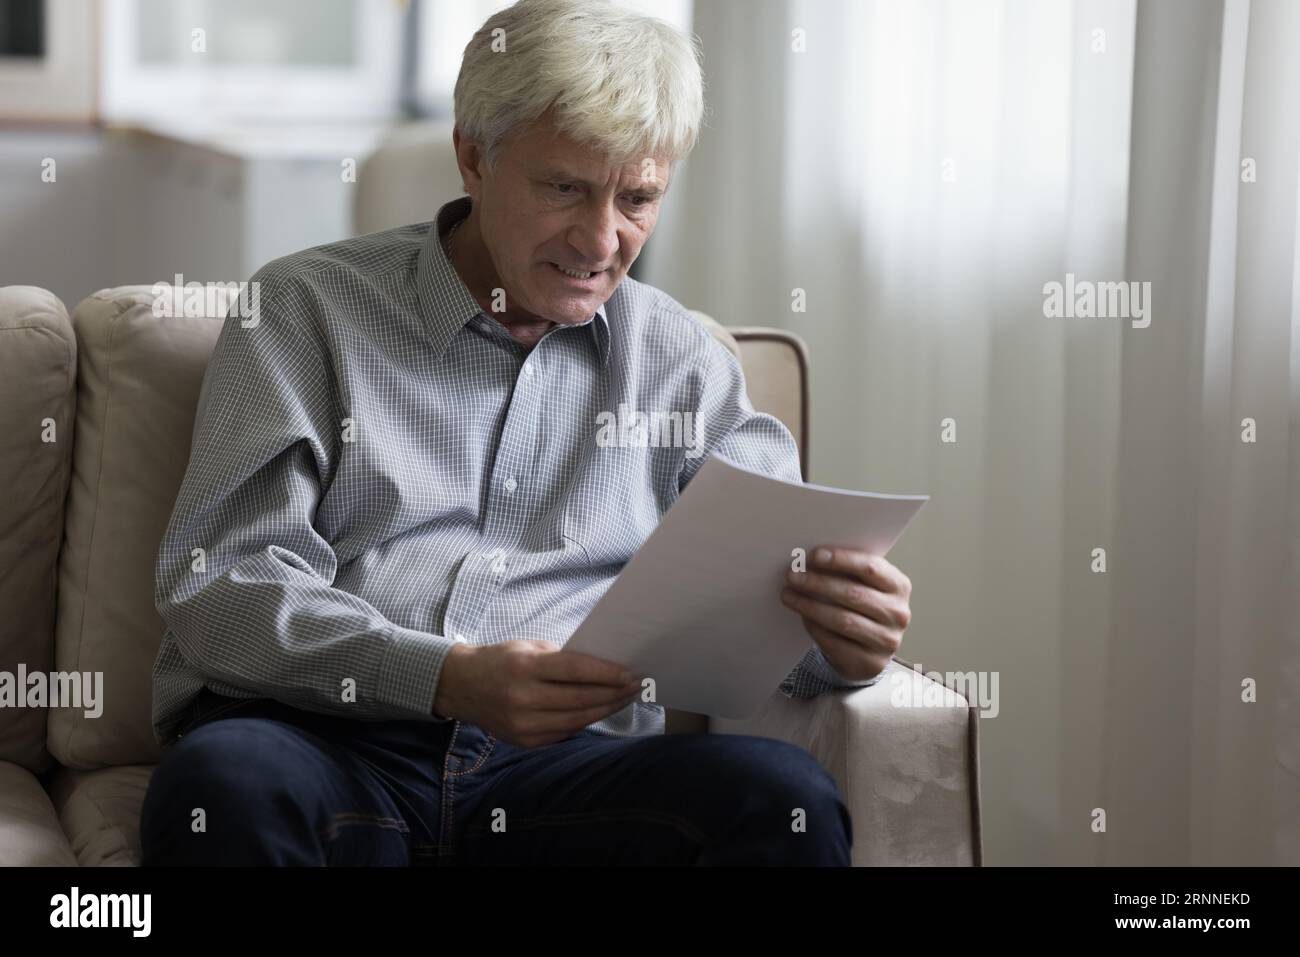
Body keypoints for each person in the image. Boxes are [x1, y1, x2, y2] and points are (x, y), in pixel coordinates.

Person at [140, 0, 912, 867]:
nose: (601, 240)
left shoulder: (685, 363)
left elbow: (770, 619)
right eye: (564, 188)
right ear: (475, 156)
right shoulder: (304, 310)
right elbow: (225, 583)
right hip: (328, 743)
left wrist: (842, 639)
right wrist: (443, 677)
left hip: (562, 776)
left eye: (639, 198)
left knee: (783, 799)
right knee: (225, 782)